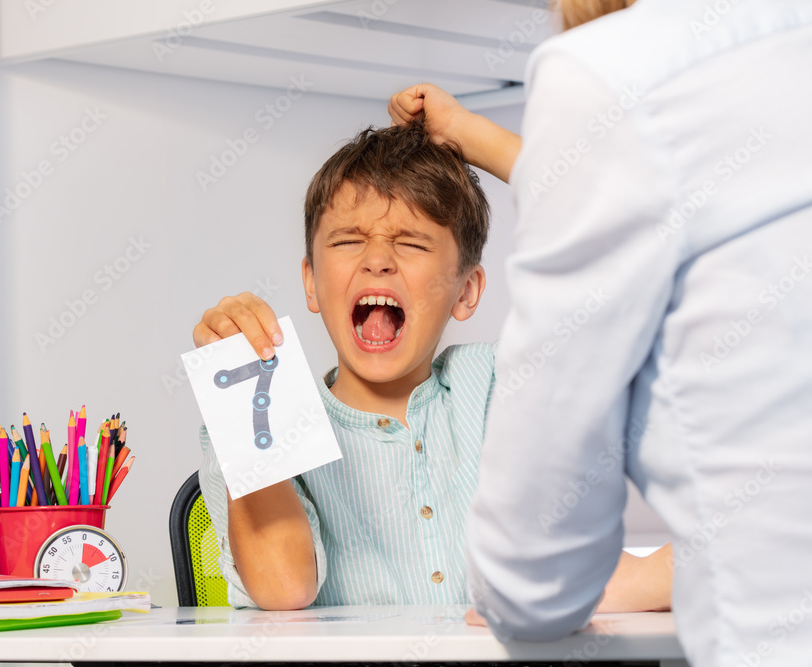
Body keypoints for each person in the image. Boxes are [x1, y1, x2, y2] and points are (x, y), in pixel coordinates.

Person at [389, 0, 812, 664]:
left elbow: (532, 577)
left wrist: (624, 578)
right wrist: (475, 136)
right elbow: (662, 184)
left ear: (469, 288)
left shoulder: (612, 67)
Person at [191, 118, 672, 612]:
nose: (377, 260)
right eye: (348, 240)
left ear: (466, 291)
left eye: (412, 243)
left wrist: (472, 135)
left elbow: (628, 231)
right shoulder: (255, 420)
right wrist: (247, 401)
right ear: (312, 283)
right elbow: (284, 588)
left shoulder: (502, 384)